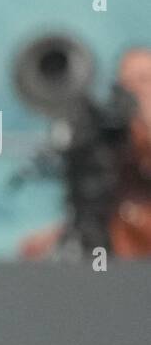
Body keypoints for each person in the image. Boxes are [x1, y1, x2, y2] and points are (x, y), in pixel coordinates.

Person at [19, 47, 151, 259]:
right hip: (109, 238)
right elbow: (91, 192)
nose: (138, 91)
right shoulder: (105, 131)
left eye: (145, 80)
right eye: (129, 83)